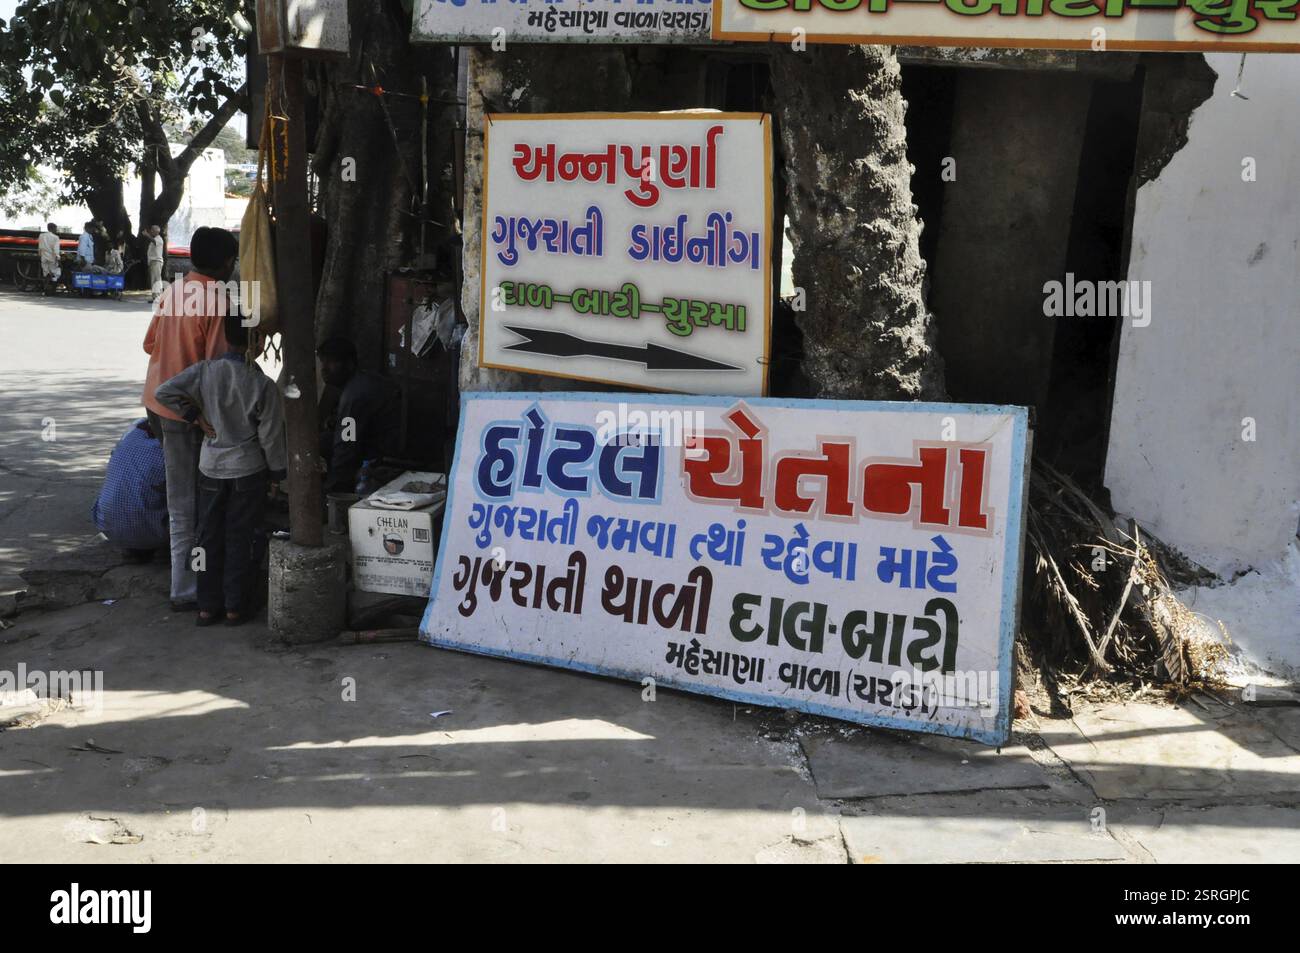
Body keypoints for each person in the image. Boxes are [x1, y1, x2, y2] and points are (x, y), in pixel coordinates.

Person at [155, 313, 285, 626]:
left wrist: (195, 418)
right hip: (247, 470)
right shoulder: (261, 383)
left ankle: (206, 607)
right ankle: (234, 607)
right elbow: (270, 437)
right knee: (242, 538)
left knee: (208, 537)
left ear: (225, 337)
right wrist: (278, 473)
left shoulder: (204, 372)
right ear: (255, 342)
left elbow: (163, 393)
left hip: (210, 468)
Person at [141, 226, 235, 611]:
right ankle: (186, 590)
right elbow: (217, 370)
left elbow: (150, 344)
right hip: (186, 412)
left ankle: (190, 579)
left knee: (185, 498)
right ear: (227, 262)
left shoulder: (173, 291)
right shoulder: (218, 300)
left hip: (156, 402)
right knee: (190, 504)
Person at [316, 337, 400, 494]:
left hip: (380, 455)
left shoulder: (354, 396)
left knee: (328, 445)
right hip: (377, 442)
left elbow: (346, 444)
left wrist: (333, 487)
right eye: (323, 362)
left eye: (332, 362)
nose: (324, 368)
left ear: (349, 364)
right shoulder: (362, 381)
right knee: (324, 440)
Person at [91, 419, 169, 562]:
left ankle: (135, 543)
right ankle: (152, 541)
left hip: (108, 527)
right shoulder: (175, 447)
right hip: (156, 533)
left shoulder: (133, 430)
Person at [144, 225, 165, 301]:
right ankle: (155, 297)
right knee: (154, 280)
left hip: (156, 262)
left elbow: (153, 241)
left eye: (152, 230)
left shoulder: (159, 239)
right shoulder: (155, 239)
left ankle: (158, 297)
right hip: (153, 262)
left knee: (156, 279)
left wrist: (147, 235)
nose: (151, 231)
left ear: (156, 231)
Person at [38, 222, 61, 287]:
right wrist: (58, 258)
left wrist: (40, 255)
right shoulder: (55, 237)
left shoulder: (41, 236)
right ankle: (52, 288)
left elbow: (39, 247)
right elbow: (56, 249)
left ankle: (46, 288)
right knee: (54, 273)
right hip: (52, 257)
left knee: (45, 273)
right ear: (53, 228)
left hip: (44, 257)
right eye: (56, 229)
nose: (56, 230)